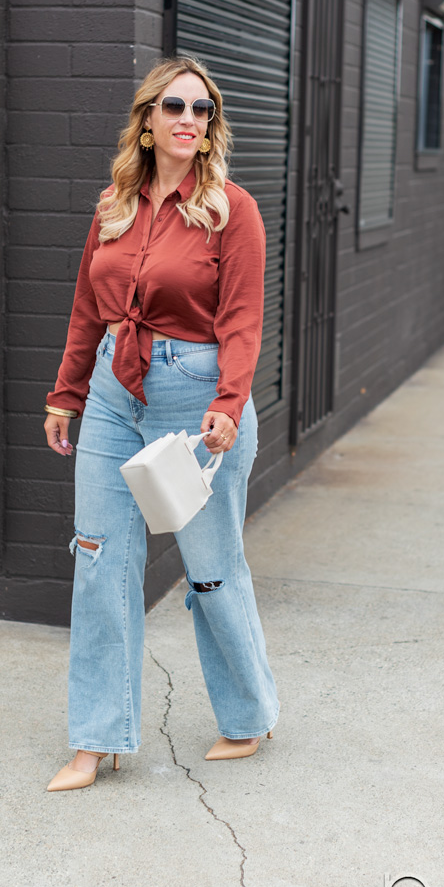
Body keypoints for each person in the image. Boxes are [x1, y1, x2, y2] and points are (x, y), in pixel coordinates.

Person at [42, 55, 280, 792]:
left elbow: (242, 318)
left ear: (211, 127)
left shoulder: (231, 209)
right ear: (147, 121)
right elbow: (89, 306)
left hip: (197, 398)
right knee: (99, 558)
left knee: (211, 567)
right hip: (116, 391)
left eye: (202, 109)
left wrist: (230, 402)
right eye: (174, 107)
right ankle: (97, 737)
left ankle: (247, 713)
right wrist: (67, 391)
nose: (188, 120)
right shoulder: (113, 205)